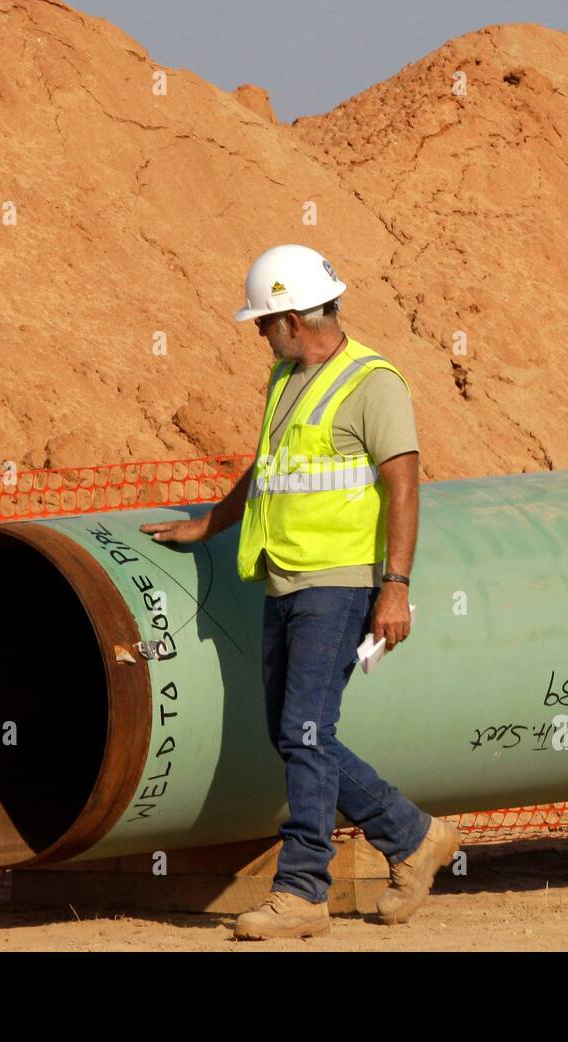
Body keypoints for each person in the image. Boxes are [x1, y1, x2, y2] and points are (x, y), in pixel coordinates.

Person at [139, 244, 460, 940]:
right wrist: (210, 524)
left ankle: (302, 890)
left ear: (291, 316)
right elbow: (269, 467)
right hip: (283, 577)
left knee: (303, 731)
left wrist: (396, 588)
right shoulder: (287, 379)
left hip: (339, 583)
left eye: (262, 323)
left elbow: (403, 486)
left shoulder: (374, 382)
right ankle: (414, 837)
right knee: (296, 736)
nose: (259, 336)